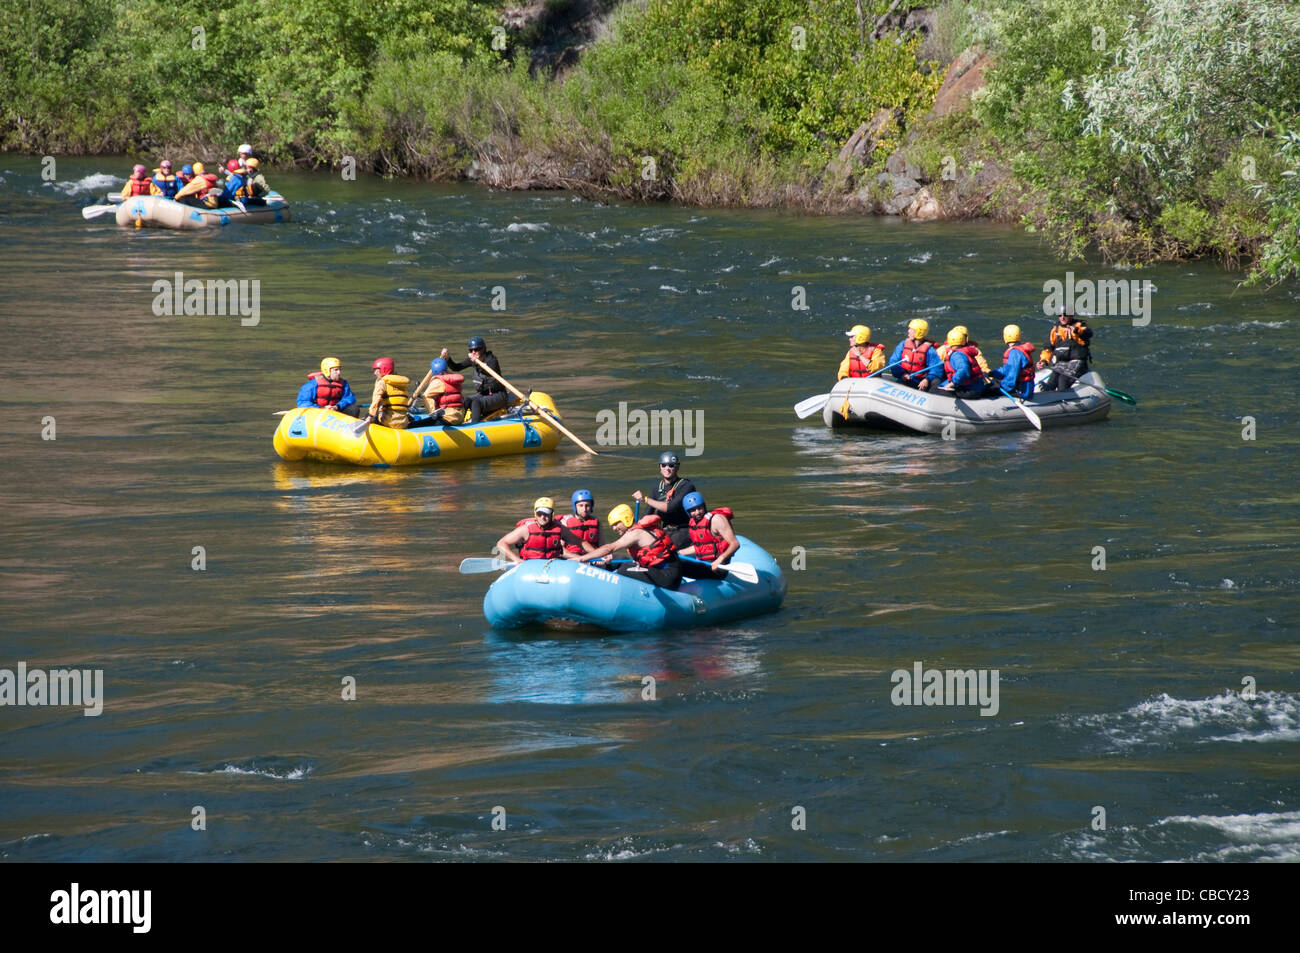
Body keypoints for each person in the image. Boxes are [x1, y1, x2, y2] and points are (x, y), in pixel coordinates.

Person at [579, 505, 683, 590]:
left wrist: (582, 558)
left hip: (668, 576)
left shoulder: (636, 533)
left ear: (626, 520)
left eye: (616, 524)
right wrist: (611, 557)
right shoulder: (635, 530)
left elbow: (610, 547)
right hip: (661, 570)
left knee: (623, 570)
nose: (614, 528)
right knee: (619, 559)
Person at [631, 451, 696, 549]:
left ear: (677, 467)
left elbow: (670, 507)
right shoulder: (656, 488)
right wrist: (634, 529)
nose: (667, 469)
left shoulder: (686, 486)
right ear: (660, 467)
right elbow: (647, 514)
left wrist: (644, 499)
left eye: (671, 465)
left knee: (666, 549)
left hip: (684, 529)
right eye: (664, 465)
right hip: (665, 530)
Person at [496, 498, 589, 563]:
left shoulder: (560, 529)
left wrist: (595, 555)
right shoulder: (525, 530)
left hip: (554, 565)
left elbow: (580, 542)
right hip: (530, 565)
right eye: (539, 514)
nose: (542, 517)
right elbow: (501, 543)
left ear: (552, 514)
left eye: (546, 514)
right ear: (535, 514)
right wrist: (516, 559)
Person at [442, 336, 509, 423]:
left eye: (477, 349)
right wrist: (448, 359)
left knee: (476, 402)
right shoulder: (473, 360)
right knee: (467, 400)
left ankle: (474, 426)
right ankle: (457, 422)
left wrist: (477, 363)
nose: (474, 352)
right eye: (471, 350)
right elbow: (457, 367)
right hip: (483, 394)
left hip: (499, 395)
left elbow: (489, 371)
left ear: (483, 349)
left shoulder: (492, 360)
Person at [679, 492, 739, 579]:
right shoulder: (694, 522)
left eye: (700, 508)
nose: (697, 512)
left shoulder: (716, 520)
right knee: (674, 562)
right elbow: (701, 547)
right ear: (688, 512)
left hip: (718, 568)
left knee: (677, 567)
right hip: (704, 564)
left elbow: (735, 544)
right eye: (693, 510)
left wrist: (719, 560)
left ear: (704, 506)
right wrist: (678, 552)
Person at [1038, 310, 1094, 391]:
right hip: (1061, 363)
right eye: (1060, 315)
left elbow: (1088, 333)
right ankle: (1048, 393)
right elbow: (1048, 348)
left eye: (1065, 315)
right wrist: (1043, 361)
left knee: (1062, 380)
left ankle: (1063, 395)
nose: (1062, 317)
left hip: (1077, 363)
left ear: (1071, 315)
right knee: (1052, 381)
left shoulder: (1079, 326)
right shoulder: (1055, 329)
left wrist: (1076, 330)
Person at [939, 326, 995, 398]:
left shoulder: (955, 354)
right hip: (967, 381)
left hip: (968, 385)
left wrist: (952, 383)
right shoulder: (969, 350)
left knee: (938, 389)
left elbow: (963, 369)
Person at [357, 357, 412, 430]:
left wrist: (370, 416)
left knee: (370, 415)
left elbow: (376, 402)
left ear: (384, 369)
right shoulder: (403, 384)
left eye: (377, 370)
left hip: (388, 422)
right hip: (403, 422)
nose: (375, 373)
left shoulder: (382, 383)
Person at [889, 318, 943, 390]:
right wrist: (902, 374)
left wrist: (927, 379)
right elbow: (893, 362)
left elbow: (936, 368)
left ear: (919, 332)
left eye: (912, 330)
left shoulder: (930, 350)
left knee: (934, 381)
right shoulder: (903, 345)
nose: (908, 331)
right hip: (905, 379)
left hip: (920, 383)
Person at [991, 325, 1037, 400]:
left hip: (1022, 390)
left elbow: (1012, 375)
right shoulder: (1019, 349)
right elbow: (1007, 368)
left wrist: (1001, 386)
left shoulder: (1015, 353)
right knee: (994, 383)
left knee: (988, 390)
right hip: (1026, 387)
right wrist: (992, 373)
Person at [422, 358, 466, 425]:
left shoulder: (438, 382)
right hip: (459, 416)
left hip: (447, 418)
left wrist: (432, 411)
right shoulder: (454, 380)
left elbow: (426, 396)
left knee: (417, 424)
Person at [561, 490, 602, 557]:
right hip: (572, 559)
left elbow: (601, 546)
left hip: (593, 558)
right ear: (575, 507)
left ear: (591, 506)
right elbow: (560, 549)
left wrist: (601, 557)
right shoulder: (565, 522)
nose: (584, 509)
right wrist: (578, 558)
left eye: (587, 505)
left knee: (621, 558)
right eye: (581, 506)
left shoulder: (597, 523)